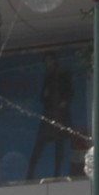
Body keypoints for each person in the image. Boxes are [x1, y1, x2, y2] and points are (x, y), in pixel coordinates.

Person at [26, 52, 73, 180]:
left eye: (49, 60)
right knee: (40, 142)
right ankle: (30, 171)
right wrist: (46, 96)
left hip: (60, 113)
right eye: (46, 61)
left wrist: (64, 102)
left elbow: (69, 92)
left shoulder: (63, 74)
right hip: (50, 112)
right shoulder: (48, 77)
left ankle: (57, 173)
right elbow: (43, 97)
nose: (48, 64)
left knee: (59, 142)